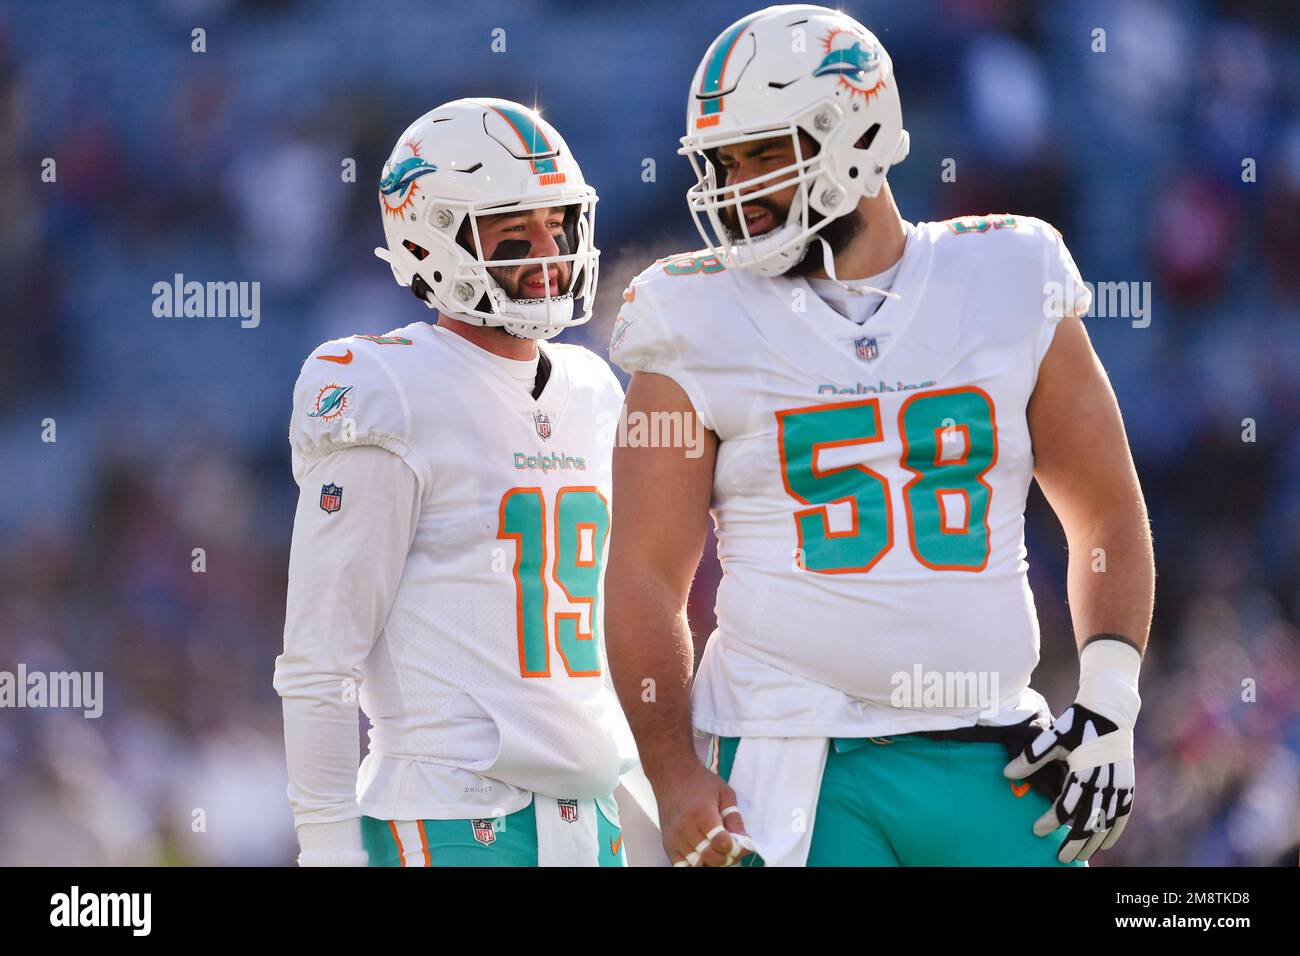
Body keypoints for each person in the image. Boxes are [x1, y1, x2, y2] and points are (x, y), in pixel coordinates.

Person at [605, 5, 1154, 867]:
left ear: (853, 136)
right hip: (790, 755)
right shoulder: (691, 316)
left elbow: (1106, 511)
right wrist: (671, 771)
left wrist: (1112, 700)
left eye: (763, 156)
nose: (736, 191)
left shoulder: (1008, 272)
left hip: (992, 746)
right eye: (722, 162)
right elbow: (641, 575)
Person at [274, 97, 639, 867]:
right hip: (447, 822)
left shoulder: (594, 388)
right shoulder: (388, 386)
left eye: (559, 225)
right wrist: (328, 847)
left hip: (589, 824)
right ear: (431, 242)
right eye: (515, 235)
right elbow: (320, 658)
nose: (550, 252)